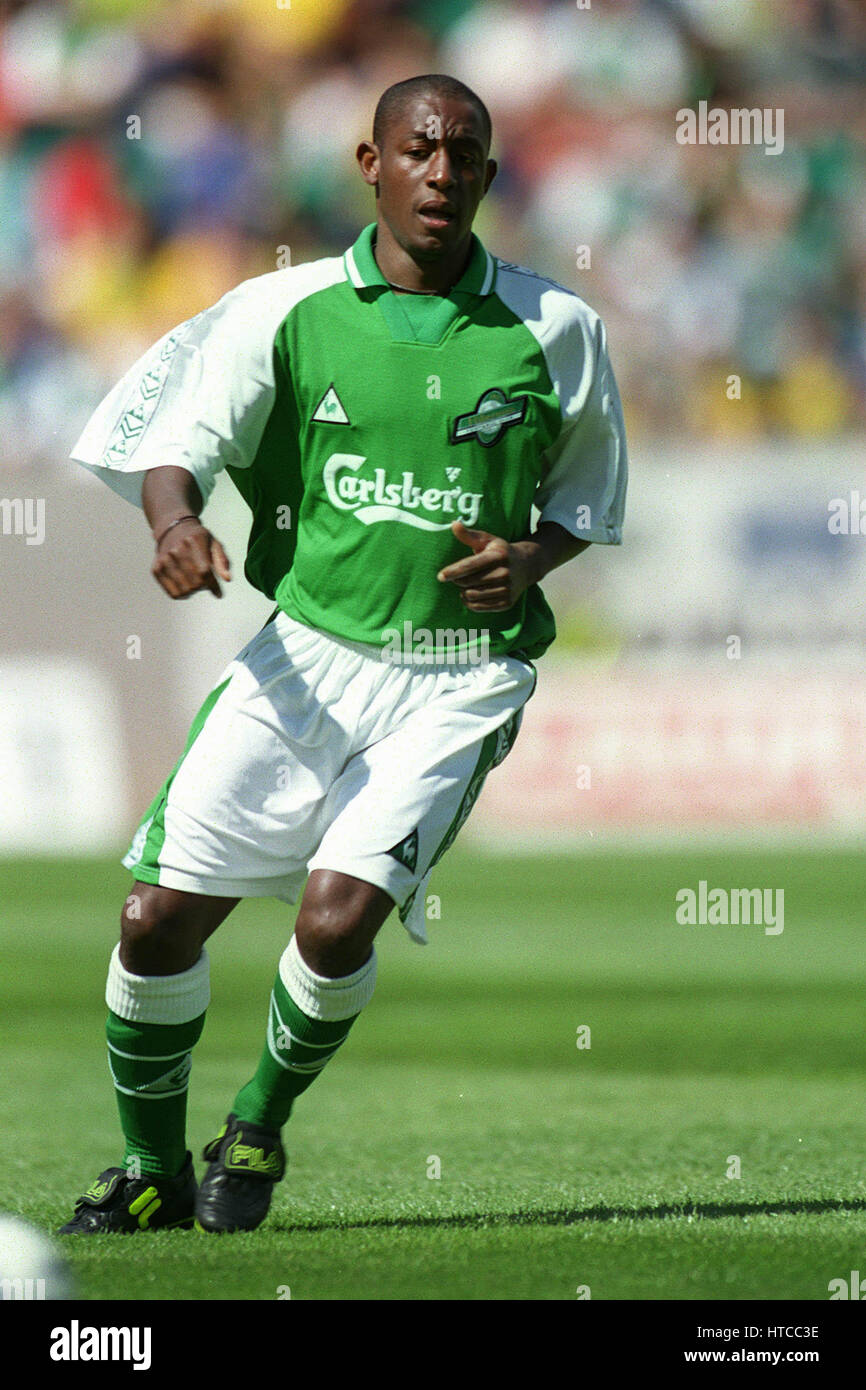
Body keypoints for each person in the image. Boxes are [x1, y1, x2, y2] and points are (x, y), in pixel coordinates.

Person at [59, 73, 627, 1235]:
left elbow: (585, 500)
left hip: (459, 674)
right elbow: (181, 439)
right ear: (369, 164)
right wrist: (175, 523)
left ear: (488, 172)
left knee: (333, 918)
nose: (441, 170)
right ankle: (149, 1165)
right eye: (417, 148)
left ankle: (258, 1123)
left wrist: (531, 561)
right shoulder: (290, 307)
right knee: (153, 920)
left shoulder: (556, 329)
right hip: (305, 656)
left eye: (464, 152)